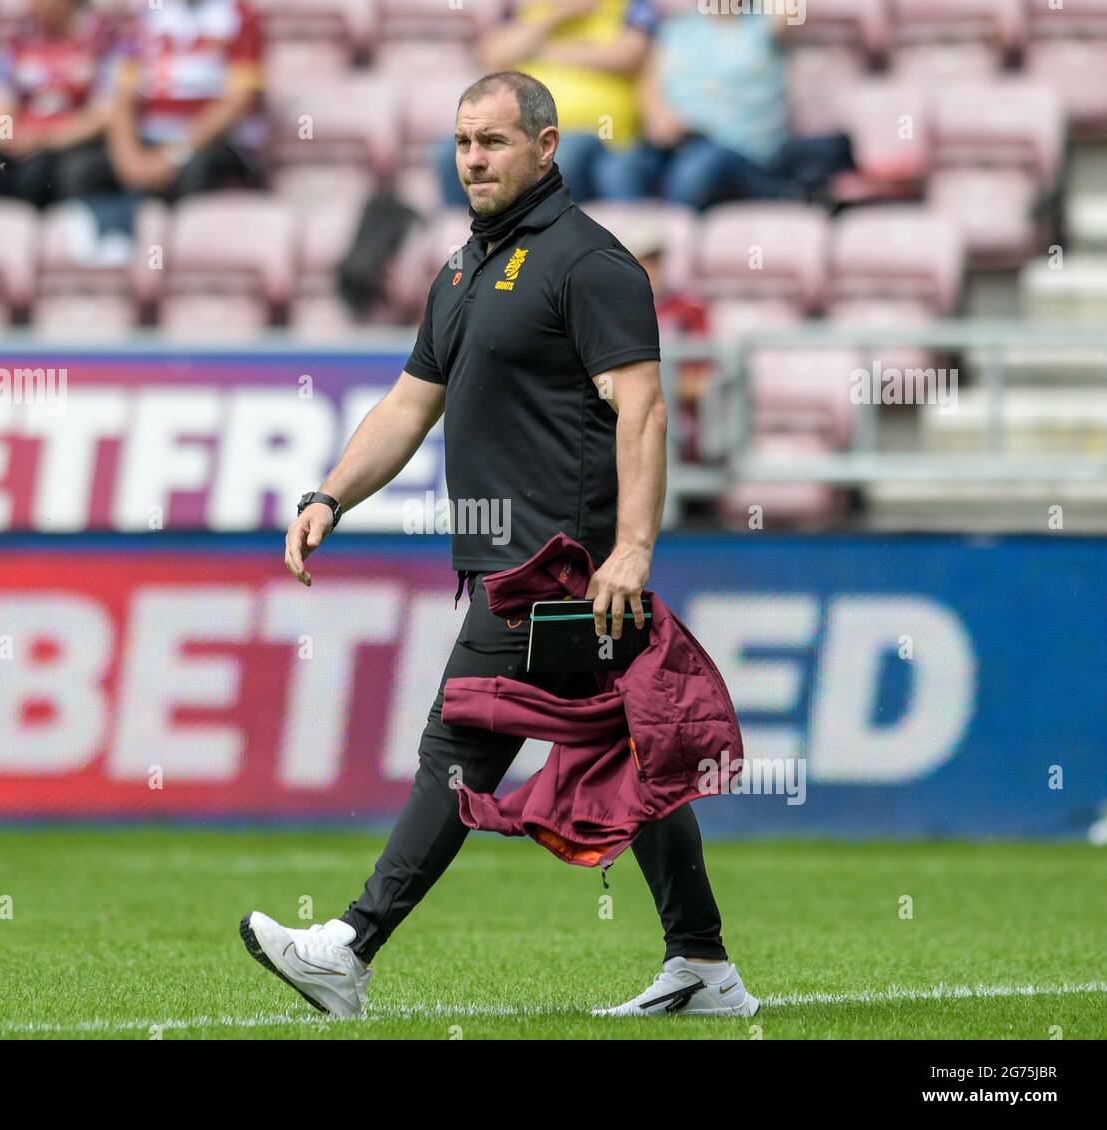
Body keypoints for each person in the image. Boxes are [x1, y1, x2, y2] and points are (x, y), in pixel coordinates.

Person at [242, 71, 759, 1021]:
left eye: (493, 142)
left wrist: (633, 550)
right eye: (463, 142)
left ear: (548, 146)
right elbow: (409, 404)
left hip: (563, 573)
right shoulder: (462, 266)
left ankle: (349, 946)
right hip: (518, 567)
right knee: (633, 755)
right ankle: (704, 966)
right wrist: (331, 495)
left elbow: (640, 412)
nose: (473, 159)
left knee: (460, 742)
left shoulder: (592, 265)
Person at [619, 5, 853, 209]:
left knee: (694, 176)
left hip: (739, 151)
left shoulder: (763, 25)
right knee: (622, 170)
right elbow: (650, 89)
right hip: (679, 144)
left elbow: (788, 10)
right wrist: (660, 118)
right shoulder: (678, 30)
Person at [435, 0, 659, 206]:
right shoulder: (529, 9)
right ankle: (477, 240)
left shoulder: (624, 6)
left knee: (561, 158)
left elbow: (629, 56)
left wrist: (541, 52)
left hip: (600, 135)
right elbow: (492, 55)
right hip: (520, 129)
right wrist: (558, 15)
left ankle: (546, 240)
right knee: (449, 153)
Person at [63, 0, 267, 201]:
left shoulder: (240, 15)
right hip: (150, 139)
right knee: (81, 170)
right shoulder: (148, 14)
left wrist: (175, 154)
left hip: (209, 143)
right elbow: (124, 93)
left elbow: (240, 99)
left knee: (194, 172)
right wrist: (128, 157)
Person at [0, 0, 116, 207]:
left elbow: (103, 115)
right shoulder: (15, 44)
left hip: (69, 145)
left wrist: (45, 138)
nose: (34, 5)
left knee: (40, 174)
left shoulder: (102, 42)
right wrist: (10, 137)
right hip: (22, 142)